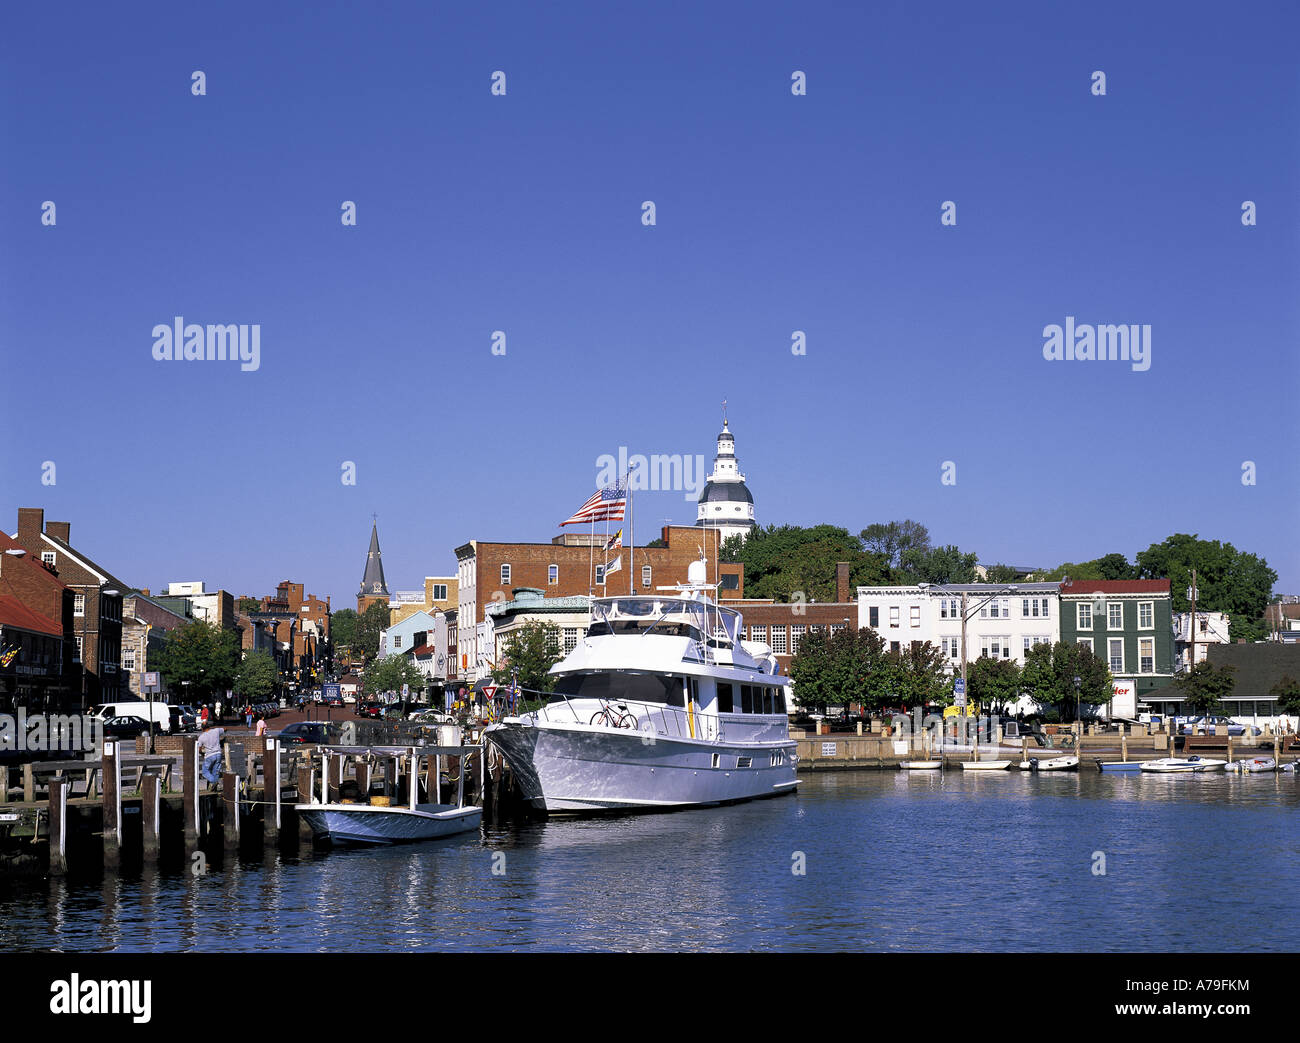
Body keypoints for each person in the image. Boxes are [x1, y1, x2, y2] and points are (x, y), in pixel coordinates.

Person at [197, 722, 226, 789]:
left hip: (209, 755)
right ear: (209, 727)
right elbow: (225, 729)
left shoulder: (201, 737)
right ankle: (214, 787)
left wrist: (203, 754)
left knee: (205, 772)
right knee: (216, 771)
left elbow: (199, 750)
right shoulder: (216, 731)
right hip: (218, 754)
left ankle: (214, 781)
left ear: (202, 729)